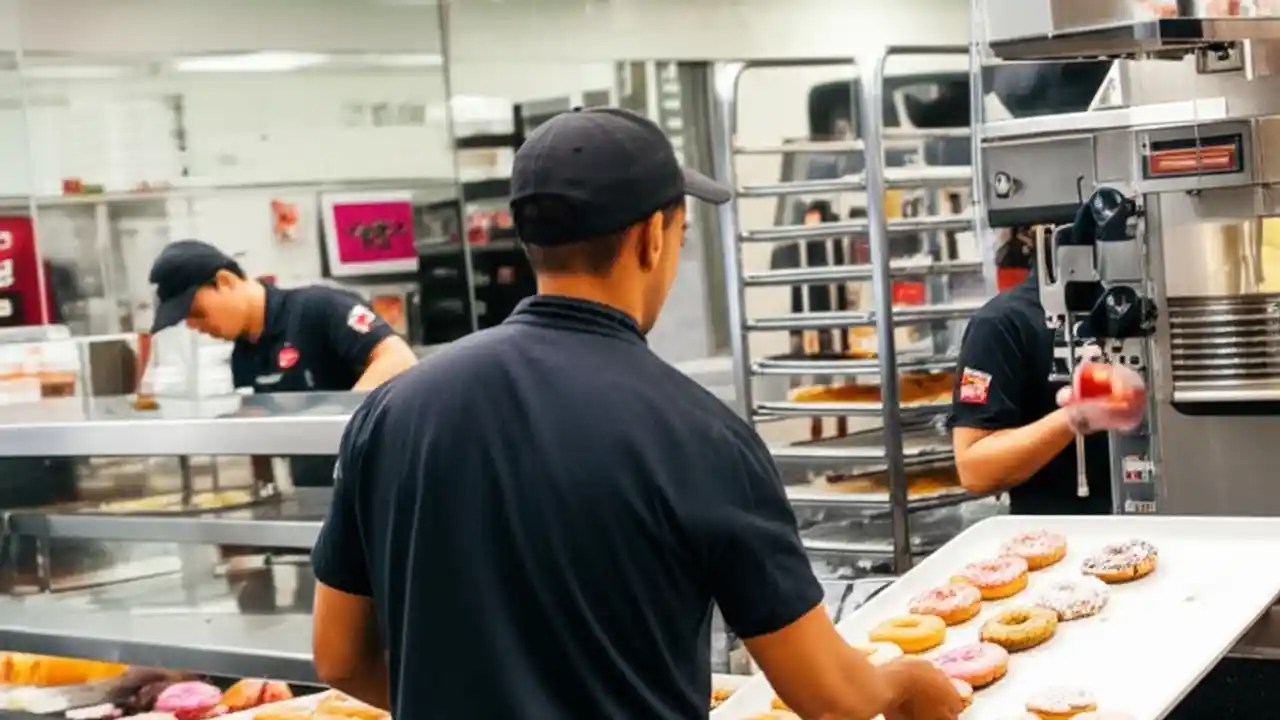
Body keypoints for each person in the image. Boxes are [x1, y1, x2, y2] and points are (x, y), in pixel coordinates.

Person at [309, 107, 964, 719]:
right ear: (654, 237)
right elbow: (830, 696)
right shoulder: (701, 438)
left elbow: (339, 656)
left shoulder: (393, 411)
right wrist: (905, 684)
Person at [147, 240, 417, 486]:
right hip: (317, 494)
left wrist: (333, 418)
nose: (195, 326)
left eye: (198, 313)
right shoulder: (242, 356)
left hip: (377, 482)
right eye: (188, 321)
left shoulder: (318, 308)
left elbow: (399, 359)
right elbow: (263, 434)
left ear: (225, 281)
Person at [947, 269, 1146, 514]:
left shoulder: (1160, 307)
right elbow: (976, 470)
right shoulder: (1000, 323)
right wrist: (1074, 417)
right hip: (1062, 537)